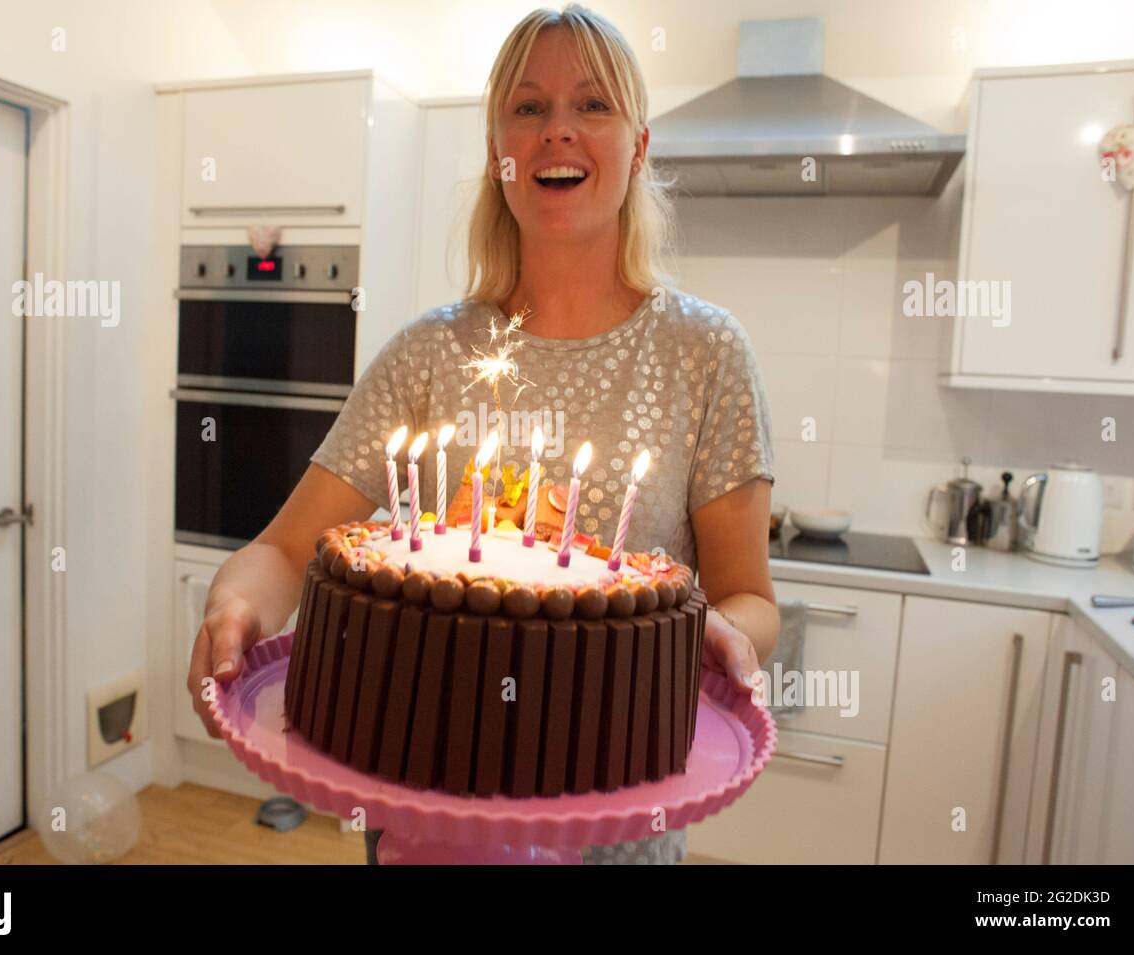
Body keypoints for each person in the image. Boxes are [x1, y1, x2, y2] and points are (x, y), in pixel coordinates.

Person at [187, 3, 779, 866]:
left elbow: (751, 599)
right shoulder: (429, 353)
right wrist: (232, 606)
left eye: (593, 106)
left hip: (616, 820)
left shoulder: (706, 353)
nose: (558, 133)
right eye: (529, 108)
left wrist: (722, 637)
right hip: (428, 810)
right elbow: (283, 552)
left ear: (640, 147)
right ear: (498, 149)